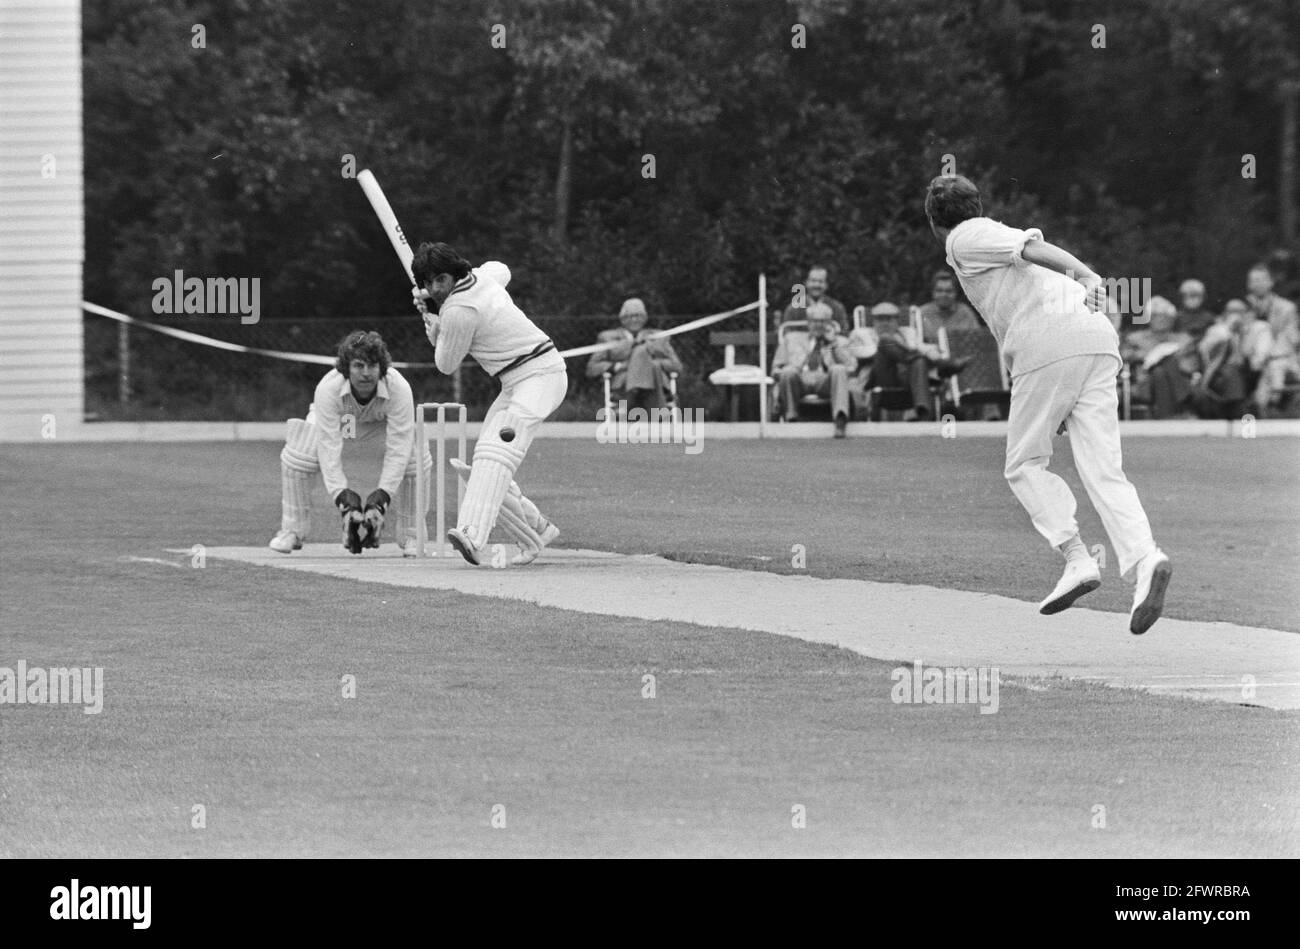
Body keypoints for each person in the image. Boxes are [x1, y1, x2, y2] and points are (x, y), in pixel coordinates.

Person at [925, 173, 1171, 635]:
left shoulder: (963, 237)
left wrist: (1088, 274)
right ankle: (1146, 559)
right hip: (1095, 340)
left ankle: (1078, 560)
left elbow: (1032, 245)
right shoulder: (984, 242)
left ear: (934, 223)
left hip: (1049, 342)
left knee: (1023, 464)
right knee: (1104, 469)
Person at [412, 242, 565, 566]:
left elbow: (445, 364)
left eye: (440, 280)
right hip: (517, 381)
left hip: (541, 377)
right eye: (428, 283)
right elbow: (502, 269)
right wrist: (435, 305)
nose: (435, 288)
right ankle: (536, 529)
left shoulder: (458, 311)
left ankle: (472, 534)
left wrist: (436, 329)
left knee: (494, 454)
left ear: (455, 273)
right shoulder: (482, 277)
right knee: (490, 462)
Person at [269, 331, 430, 557]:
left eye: (372, 366)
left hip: (379, 426)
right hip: (345, 422)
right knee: (300, 451)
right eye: (358, 365)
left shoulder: (399, 388)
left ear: (381, 368)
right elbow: (328, 446)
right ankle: (292, 531)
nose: (366, 373)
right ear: (346, 368)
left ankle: (413, 535)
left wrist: (382, 497)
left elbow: (399, 446)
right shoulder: (329, 388)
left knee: (415, 456)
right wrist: (342, 497)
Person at [866, 302, 969, 421]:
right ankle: (943, 365)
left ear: (897, 321)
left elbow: (922, 347)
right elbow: (865, 354)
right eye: (880, 319)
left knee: (919, 361)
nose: (884, 323)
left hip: (907, 377)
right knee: (885, 341)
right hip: (881, 377)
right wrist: (921, 354)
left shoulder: (908, 333)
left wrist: (928, 352)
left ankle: (922, 410)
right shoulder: (862, 334)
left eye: (889, 319)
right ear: (873, 321)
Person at [772, 300, 857, 436]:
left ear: (829, 324)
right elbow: (776, 368)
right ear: (808, 323)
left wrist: (833, 345)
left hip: (825, 380)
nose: (818, 325)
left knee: (839, 369)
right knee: (788, 371)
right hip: (799, 378)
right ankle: (791, 418)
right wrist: (785, 370)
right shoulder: (791, 339)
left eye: (823, 321)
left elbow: (851, 368)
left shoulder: (840, 342)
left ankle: (840, 420)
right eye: (814, 321)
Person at [585, 297, 682, 411]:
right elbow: (591, 368)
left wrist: (651, 364)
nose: (635, 320)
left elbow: (677, 366)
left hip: (654, 387)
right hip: (623, 389)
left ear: (645, 318)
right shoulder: (607, 338)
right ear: (622, 319)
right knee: (641, 351)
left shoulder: (659, 337)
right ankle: (659, 408)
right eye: (630, 316)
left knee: (643, 355)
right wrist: (618, 366)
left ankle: (630, 401)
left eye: (638, 315)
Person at [1120, 296, 1195, 418]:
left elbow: (1190, 367)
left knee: (1164, 367)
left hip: (1179, 382)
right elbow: (1123, 356)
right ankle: (1176, 408)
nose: (1160, 319)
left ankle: (1166, 417)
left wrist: (1170, 358)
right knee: (1159, 372)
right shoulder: (1136, 338)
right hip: (1145, 384)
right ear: (1148, 318)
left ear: (1172, 319)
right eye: (1155, 315)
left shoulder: (1184, 340)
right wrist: (1145, 355)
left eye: (1165, 315)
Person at [1244, 262, 1300, 413]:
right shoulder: (1244, 308)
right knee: (1260, 329)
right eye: (1254, 280)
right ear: (1249, 285)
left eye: (1261, 279)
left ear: (1270, 282)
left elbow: (1292, 338)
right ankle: (1270, 401)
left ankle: (1265, 403)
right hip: (1251, 359)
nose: (1258, 284)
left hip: (1278, 359)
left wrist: (1271, 355)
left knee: (1275, 364)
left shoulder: (1287, 308)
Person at [918, 269, 982, 343]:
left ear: (955, 293)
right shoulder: (922, 313)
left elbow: (978, 341)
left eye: (949, 291)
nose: (944, 295)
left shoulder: (966, 313)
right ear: (933, 293)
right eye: (939, 290)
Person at [779, 265, 849, 331]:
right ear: (806, 283)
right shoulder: (794, 309)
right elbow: (786, 336)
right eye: (813, 281)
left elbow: (844, 334)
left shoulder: (837, 308)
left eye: (820, 281)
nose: (816, 285)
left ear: (826, 285)